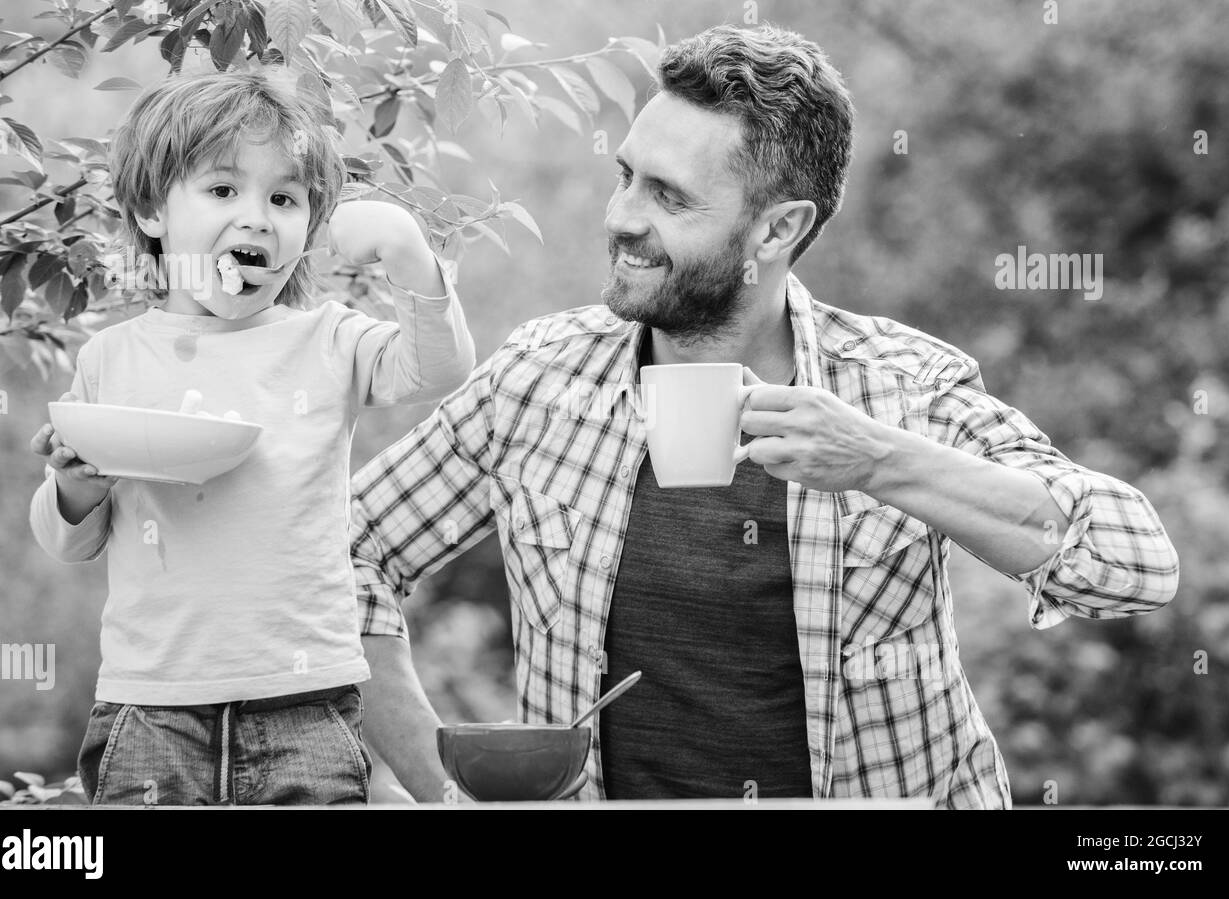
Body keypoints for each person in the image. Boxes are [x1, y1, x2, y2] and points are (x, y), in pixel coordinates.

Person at [349, 24, 1179, 808]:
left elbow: (1132, 565)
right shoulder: (539, 378)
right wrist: (447, 787)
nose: (622, 218)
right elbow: (346, 552)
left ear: (778, 229)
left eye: (669, 196)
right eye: (625, 176)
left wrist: (880, 464)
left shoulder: (902, 388)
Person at [27, 71, 476, 805]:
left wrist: (405, 247)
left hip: (306, 700)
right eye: (222, 190)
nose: (257, 218)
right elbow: (69, 540)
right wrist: (76, 487)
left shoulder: (328, 339)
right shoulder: (112, 358)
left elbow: (439, 369)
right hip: (152, 704)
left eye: (284, 198)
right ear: (150, 210)